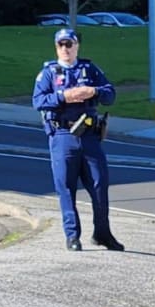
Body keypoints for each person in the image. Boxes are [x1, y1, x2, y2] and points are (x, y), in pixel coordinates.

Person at [32, 28, 122, 251]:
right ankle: (72, 235)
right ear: (56, 47)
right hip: (63, 135)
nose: (66, 49)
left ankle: (102, 233)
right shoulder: (49, 72)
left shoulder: (89, 69)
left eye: (69, 44)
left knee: (100, 184)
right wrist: (64, 96)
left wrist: (93, 91)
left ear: (77, 46)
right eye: (61, 45)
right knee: (66, 186)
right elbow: (38, 100)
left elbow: (110, 93)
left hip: (90, 136)